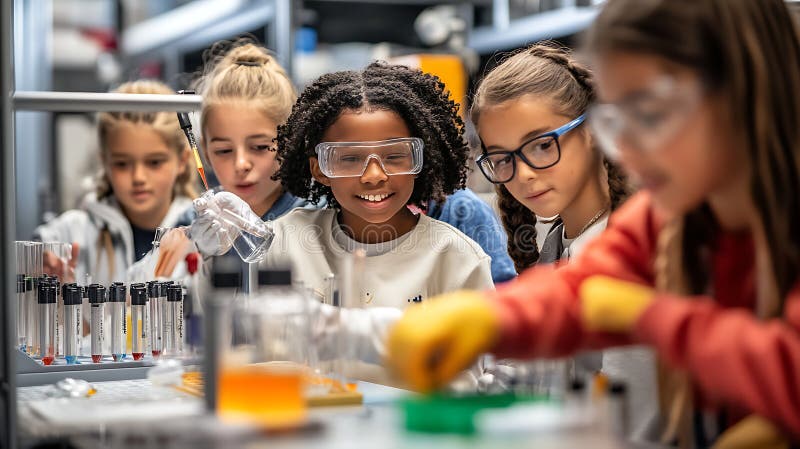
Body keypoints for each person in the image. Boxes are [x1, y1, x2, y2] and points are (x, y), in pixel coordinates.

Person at [387, 0, 800, 444]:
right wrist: (491, 318)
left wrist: (652, 317)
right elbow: (582, 289)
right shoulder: (668, 219)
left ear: (743, 91)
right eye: (618, 120)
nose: (626, 149)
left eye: (651, 114)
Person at [34, 80, 196, 285]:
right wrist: (38, 264)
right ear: (105, 162)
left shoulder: (203, 236)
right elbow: (23, 258)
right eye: (122, 163)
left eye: (154, 162)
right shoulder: (72, 233)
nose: (138, 177)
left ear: (182, 160)